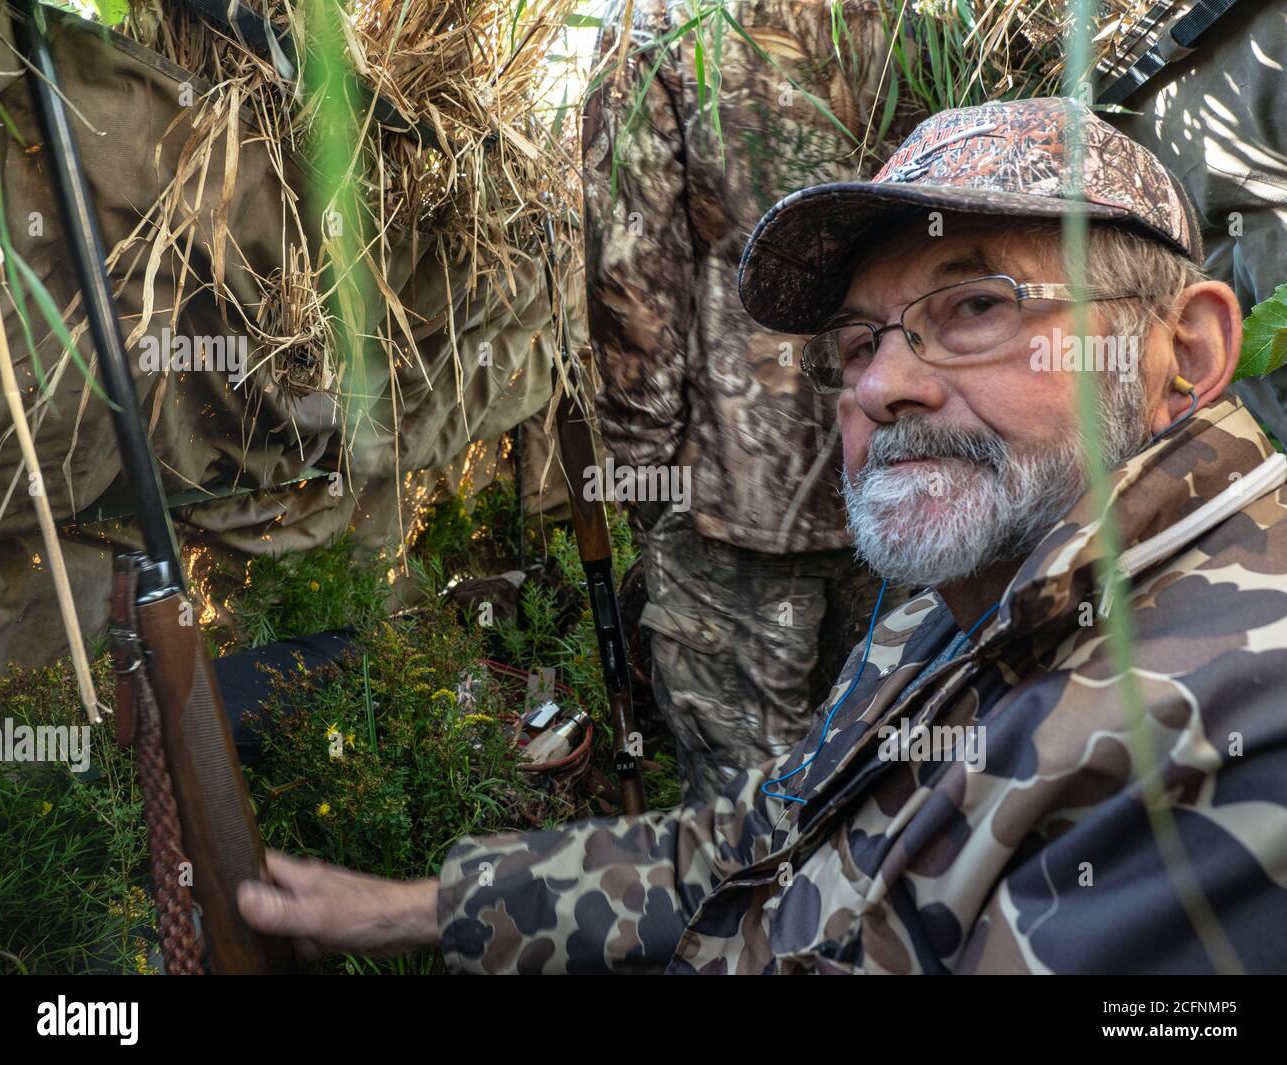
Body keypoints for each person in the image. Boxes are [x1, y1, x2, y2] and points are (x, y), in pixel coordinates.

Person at [239, 98, 1287, 974]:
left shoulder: (1236, 720)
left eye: (977, 306)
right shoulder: (969, 600)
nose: (881, 386)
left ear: (1185, 353)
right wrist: (415, 908)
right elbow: (761, 840)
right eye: (858, 342)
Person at [581, 0, 910, 802]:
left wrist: (649, 476)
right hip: (908, 470)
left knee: (749, 810)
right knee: (895, 779)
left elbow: (631, 281)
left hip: (736, 501)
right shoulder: (922, 20)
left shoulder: (656, 27)